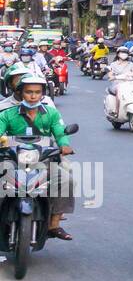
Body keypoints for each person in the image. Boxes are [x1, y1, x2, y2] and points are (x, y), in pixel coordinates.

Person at [0, 73, 76, 240]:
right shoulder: (7, 114)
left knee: (66, 179)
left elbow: (60, 133)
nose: (33, 96)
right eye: (28, 92)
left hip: (43, 159)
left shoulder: (51, 114)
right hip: (12, 159)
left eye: (37, 92)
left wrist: (64, 145)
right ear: (20, 93)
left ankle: (54, 224)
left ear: (43, 93)